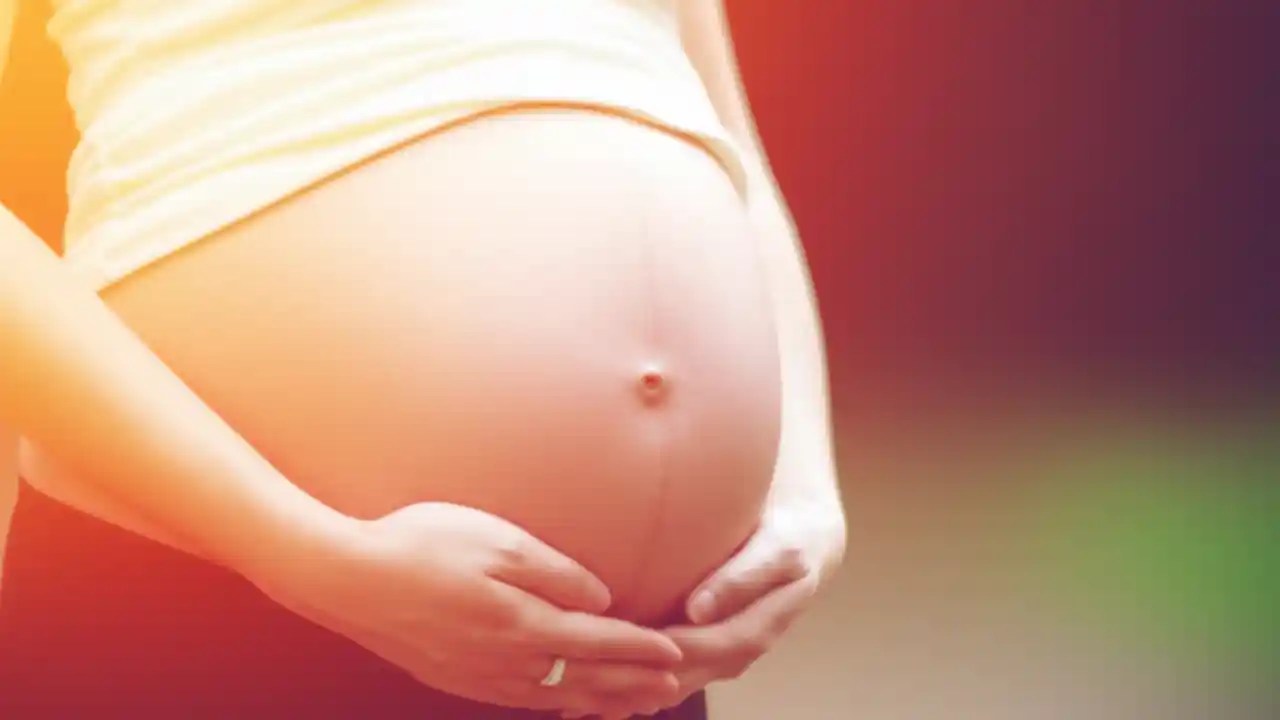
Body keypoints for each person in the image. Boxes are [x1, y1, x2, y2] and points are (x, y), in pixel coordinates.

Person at [0, 1, 847, 717]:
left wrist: (809, 496)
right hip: (223, 596)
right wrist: (301, 553)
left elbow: (719, 129)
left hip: (635, 661)